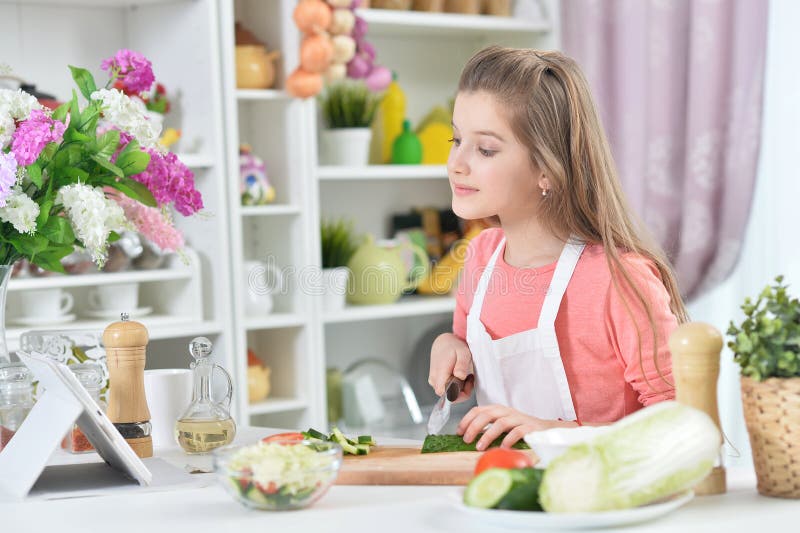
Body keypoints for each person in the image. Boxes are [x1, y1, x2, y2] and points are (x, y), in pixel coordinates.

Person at [428, 46, 687, 451]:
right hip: (514, 498)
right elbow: (468, 356)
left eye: (485, 149)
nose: (456, 163)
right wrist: (451, 346)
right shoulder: (480, 257)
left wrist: (551, 434)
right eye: (456, 138)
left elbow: (683, 423)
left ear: (547, 169)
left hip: (606, 501)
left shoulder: (619, 279)